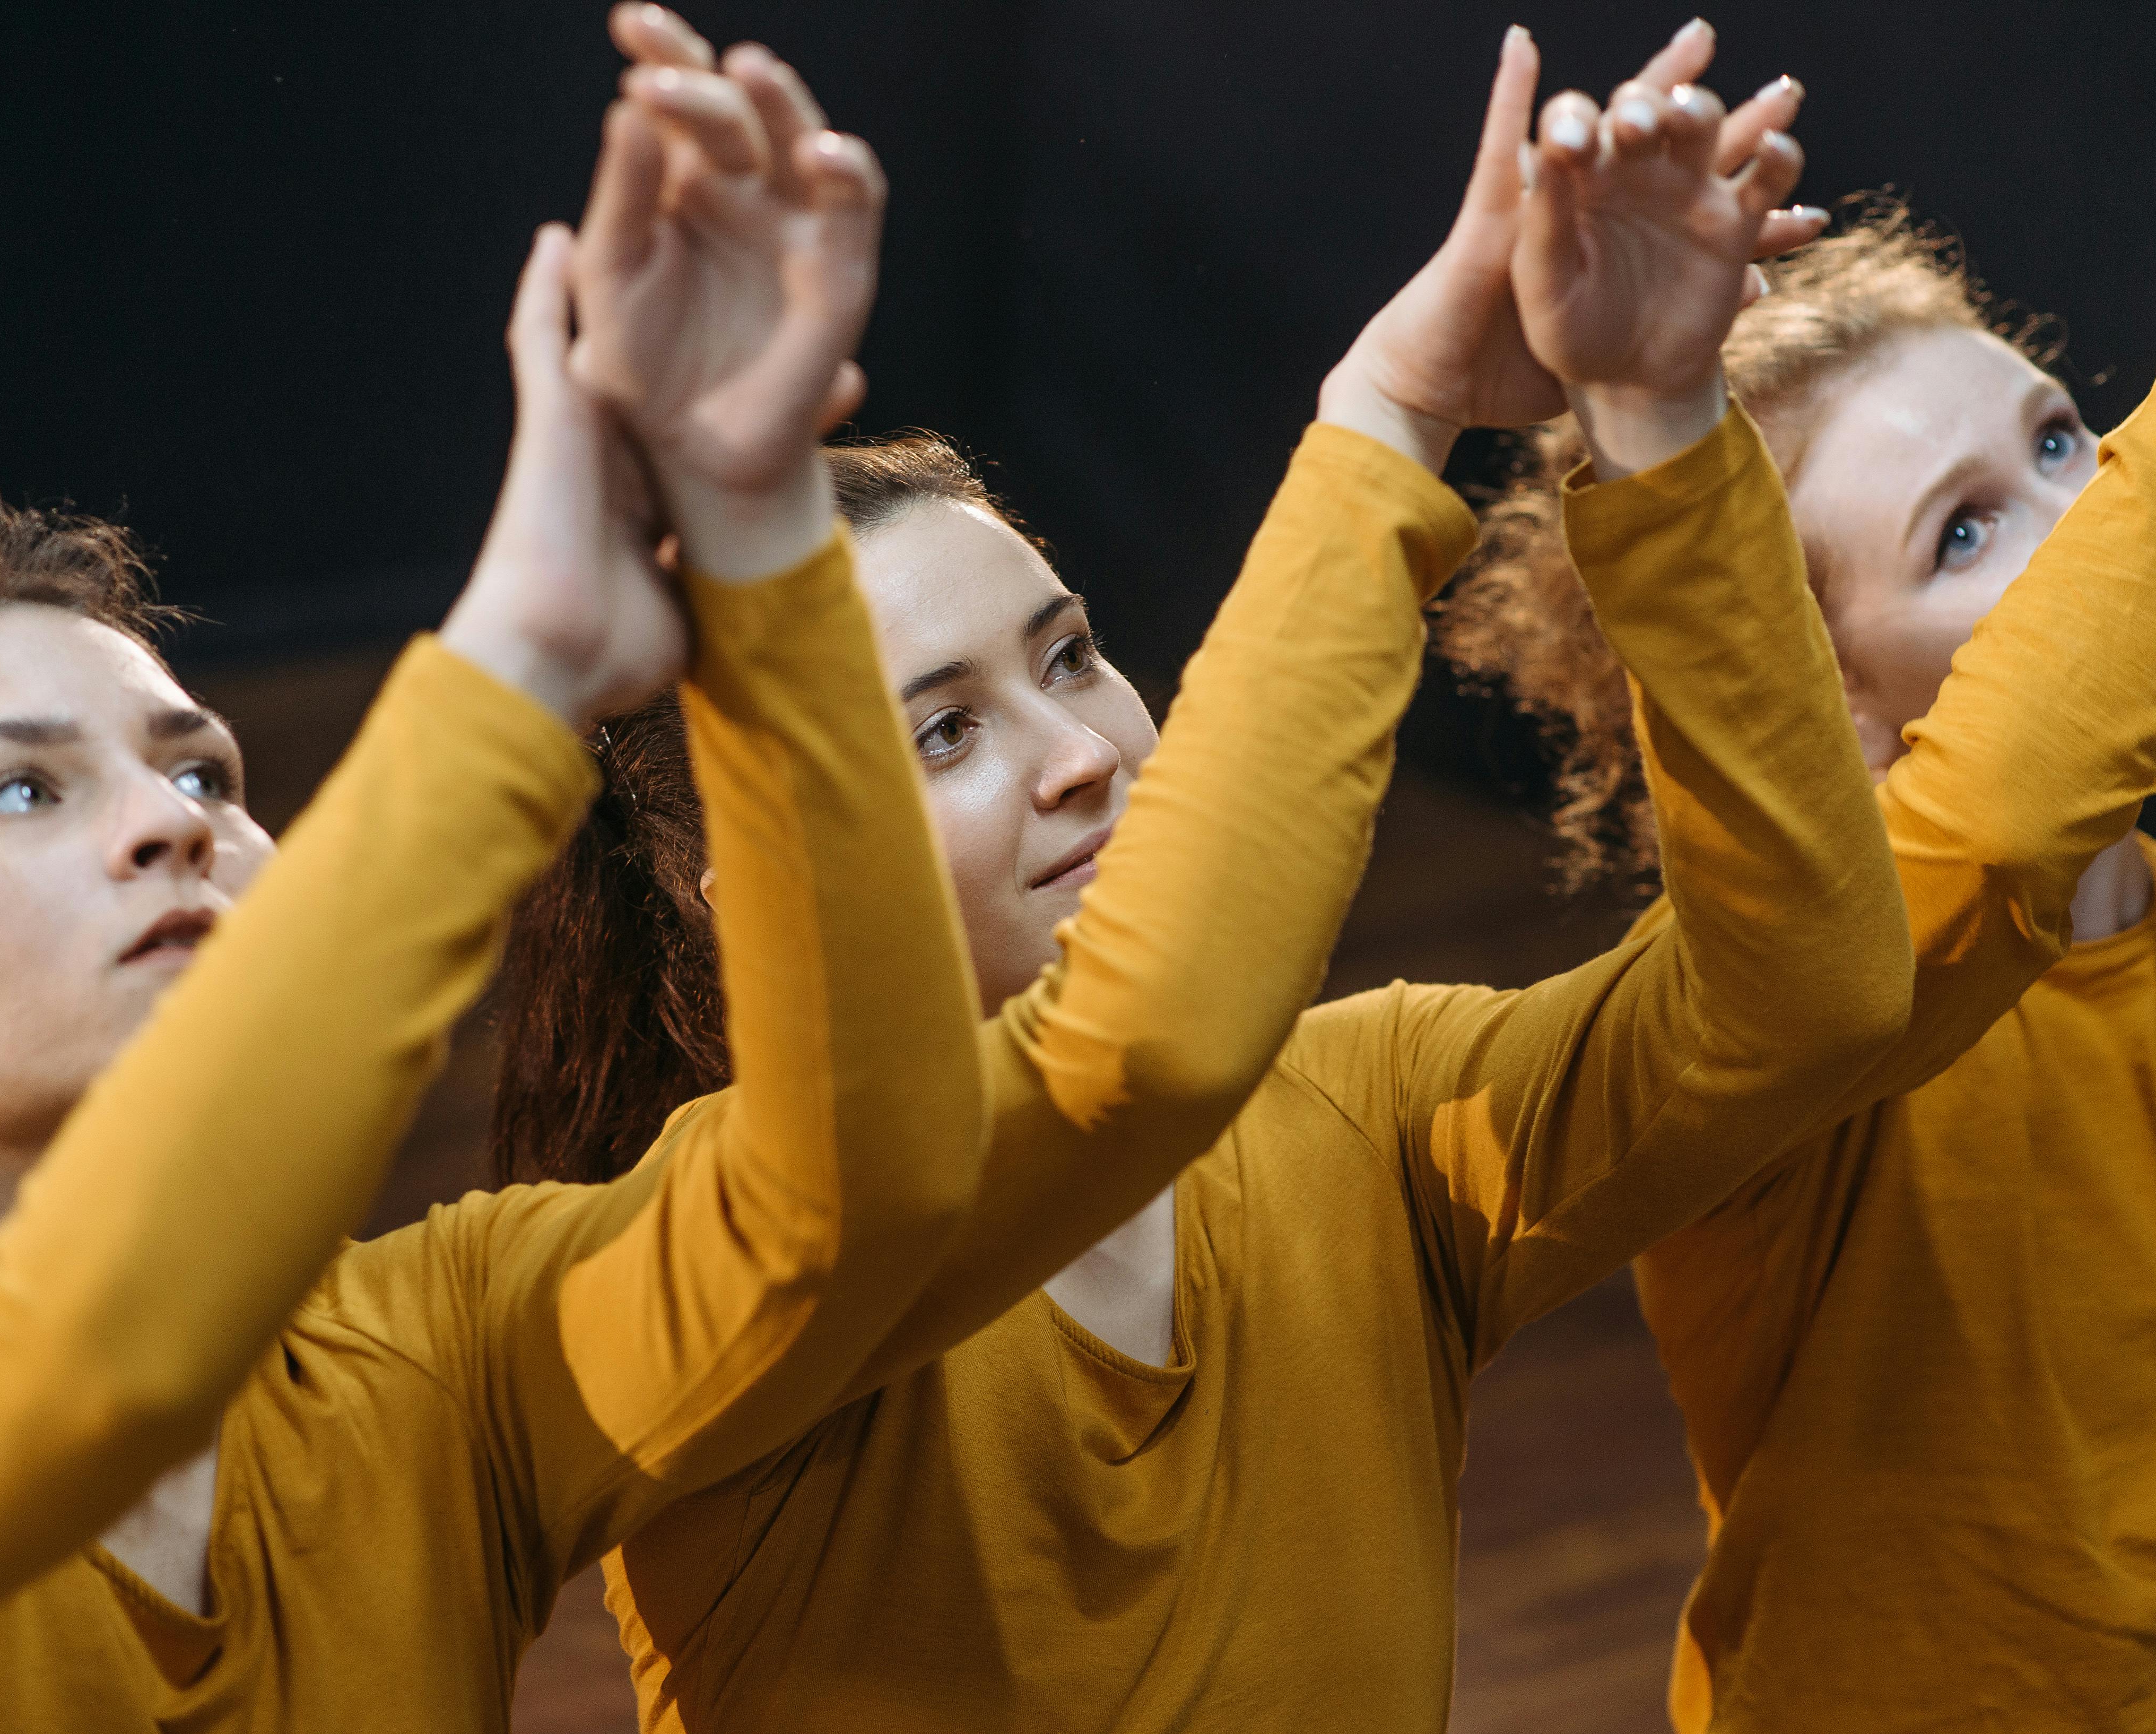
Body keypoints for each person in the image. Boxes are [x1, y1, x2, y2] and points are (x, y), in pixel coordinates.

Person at [495, 14, 1914, 1728]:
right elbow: (1144, 1041)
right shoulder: (725, 1249)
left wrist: (1664, 417)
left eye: (1070, 651)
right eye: (940, 734)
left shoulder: (1358, 1115)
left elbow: (1809, 992)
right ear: (774, 907)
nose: (1083, 747)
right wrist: (1390, 409)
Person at [0, 40, 992, 1731]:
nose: (170, 825)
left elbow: (869, 1185)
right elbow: (59, 1377)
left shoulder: (438, 1351)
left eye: (203, 773)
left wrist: (757, 545)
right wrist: (516, 662)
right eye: (18, 785)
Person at [1441, 182, 2156, 1727]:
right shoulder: (1767, 1011)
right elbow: (2005, 809)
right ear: (1821, 712)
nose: (2095, 515)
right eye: (1964, 530)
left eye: (2057, 440)